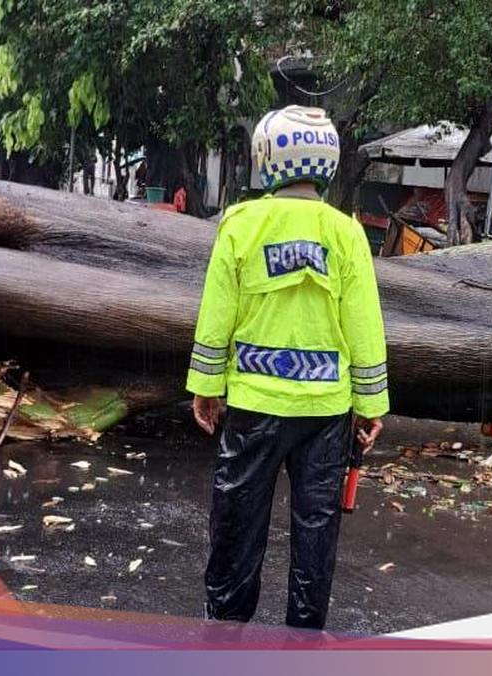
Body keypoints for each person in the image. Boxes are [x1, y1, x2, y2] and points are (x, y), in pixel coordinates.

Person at [186, 105, 390, 629]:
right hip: (326, 413)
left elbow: (216, 315)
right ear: (327, 164)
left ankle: (223, 636)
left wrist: (206, 386)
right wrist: (370, 406)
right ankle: (304, 639)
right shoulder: (347, 233)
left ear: (266, 161)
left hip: (253, 408)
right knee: (316, 534)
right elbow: (364, 326)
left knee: (236, 527)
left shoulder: (241, 225)